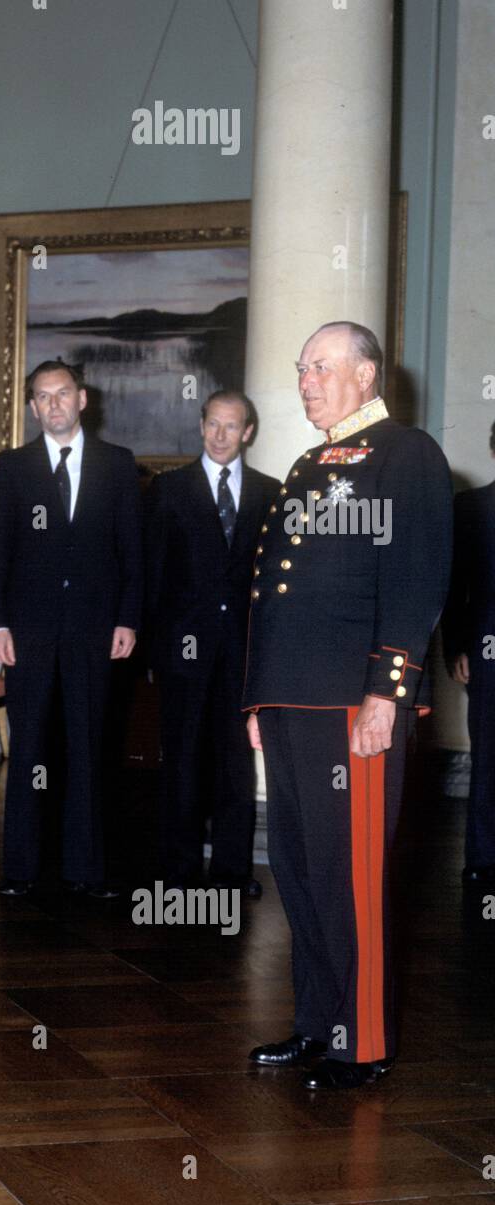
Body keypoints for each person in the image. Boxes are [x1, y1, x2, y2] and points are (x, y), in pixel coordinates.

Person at [243, 320, 452, 1089]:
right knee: (300, 871)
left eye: (321, 367)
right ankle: (315, 1023)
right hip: (293, 699)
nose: (306, 381)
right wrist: (257, 700)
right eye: (301, 368)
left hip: (349, 703)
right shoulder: (309, 461)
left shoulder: (407, 454)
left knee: (353, 874)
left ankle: (361, 1039)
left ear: (366, 374)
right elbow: (276, 593)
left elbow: (417, 578)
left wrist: (386, 694)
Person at [0, 359, 142, 898]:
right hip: (28, 631)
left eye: (63, 393)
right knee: (29, 746)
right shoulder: (12, 467)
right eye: (43, 396)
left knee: (89, 744)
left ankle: (86, 868)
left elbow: (133, 553)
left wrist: (128, 618)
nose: (54, 404)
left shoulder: (118, 465)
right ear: (33, 407)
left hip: (97, 630)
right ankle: (22, 867)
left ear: (82, 399)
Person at [145, 390, 279, 895]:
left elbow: (271, 585)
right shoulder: (169, 489)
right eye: (213, 425)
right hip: (183, 652)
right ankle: (177, 873)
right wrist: (156, 653)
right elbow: (154, 577)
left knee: (235, 764)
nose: (221, 436)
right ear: (201, 426)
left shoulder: (271, 493)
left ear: (248, 432)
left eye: (232, 427)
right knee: (180, 761)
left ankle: (231, 872)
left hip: (242, 655)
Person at [442, 423, 495, 885]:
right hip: (486, 653)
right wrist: (456, 647)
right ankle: (482, 862)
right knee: (489, 756)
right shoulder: (472, 508)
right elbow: (455, 586)